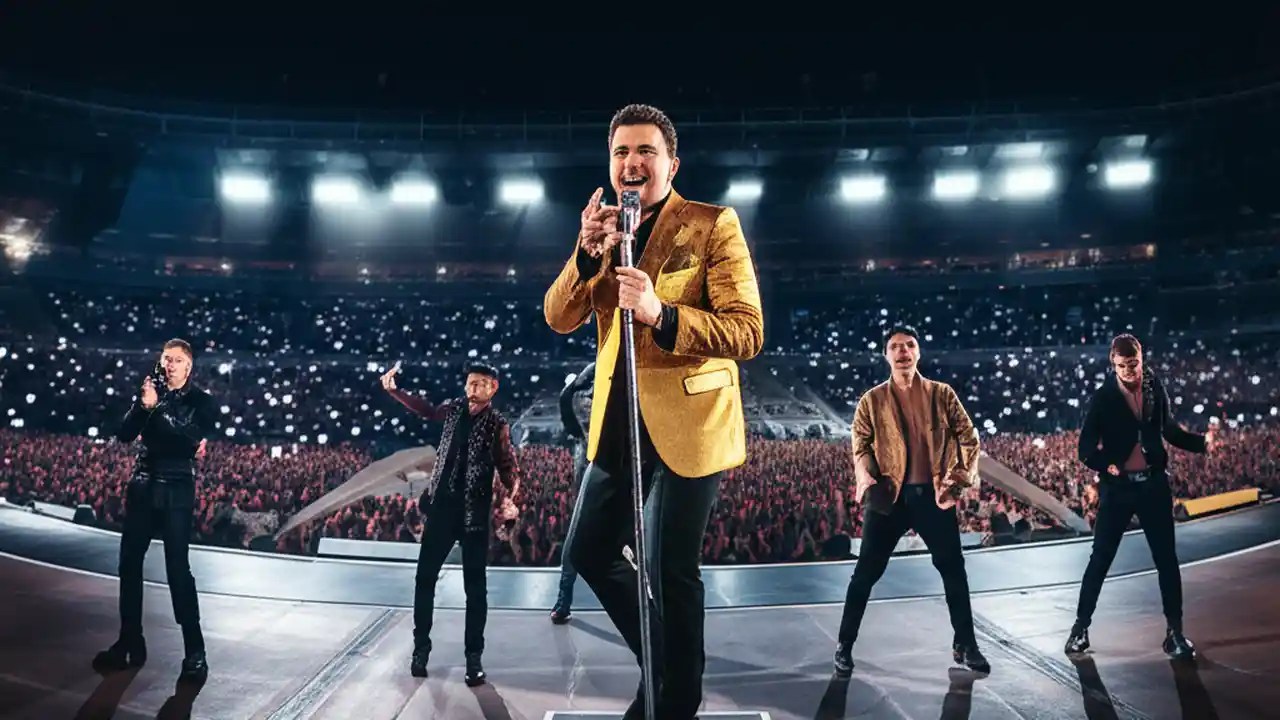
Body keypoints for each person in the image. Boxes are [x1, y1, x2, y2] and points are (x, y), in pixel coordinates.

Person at [543, 103, 765, 720]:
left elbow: (747, 332)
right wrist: (588, 255)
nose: (631, 163)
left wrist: (661, 315)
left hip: (690, 425)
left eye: (645, 151)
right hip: (618, 416)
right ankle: (666, 660)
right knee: (587, 551)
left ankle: (674, 702)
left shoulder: (712, 224)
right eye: (620, 152)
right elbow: (558, 316)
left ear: (671, 162)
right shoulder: (607, 229)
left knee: (670, 570)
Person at [835, 325, 990, 677]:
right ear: (886, 355)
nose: (903, 351)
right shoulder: (871, 400)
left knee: (954, 571)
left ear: (918, 352)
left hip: (934, 498)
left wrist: (959, 477)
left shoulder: (942, 394)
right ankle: (844, 644)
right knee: (865, 575)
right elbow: (859, 444)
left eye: (909, 345)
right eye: (895, 347)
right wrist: (868, 478)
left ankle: (967, 644)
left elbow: (969, 436)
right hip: (890, 499)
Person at [1065, 334, 1217, 659]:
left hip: (1153, 486)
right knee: (1100, 559)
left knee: (1166, 560)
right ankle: (1080, 629)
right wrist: (1107, 465)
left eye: (1133, 364)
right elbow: (1084, 449)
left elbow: (1170, 431)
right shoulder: (1103, 398)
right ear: (1113, 364)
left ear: (1141, 358)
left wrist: (1202, 443)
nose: (1129, 371)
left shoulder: (1154, 387)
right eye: (1122, 366)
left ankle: (1175, 633)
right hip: (1118, 491)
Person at [380, 361, 520, 685]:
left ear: (493, 389)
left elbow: (508, 466)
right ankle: (420, 649)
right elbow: (426, 410)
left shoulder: (498, 424)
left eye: (481, 384)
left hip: (474, 515)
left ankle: (473, 658)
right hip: (441, 509)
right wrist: (395, 391)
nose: (474, 389)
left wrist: (511, 498)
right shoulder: (453, 409)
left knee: (476, 591)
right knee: (424, 579)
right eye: (471, 382)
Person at [95, 338, 217, 684]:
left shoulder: (202, 402)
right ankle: (129, 640)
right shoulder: (149, 397)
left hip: (177, 488)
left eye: (177, 360)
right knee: (128, 565)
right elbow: (123, 434)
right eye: (166, 359)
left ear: (189, 367)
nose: (170, 365)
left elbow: (189, 441)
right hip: (143, 485)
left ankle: (195, 651)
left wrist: (158, 408)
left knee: (178, 571)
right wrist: (144, 406)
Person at [551, 361, 595, 624]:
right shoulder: (607, 391)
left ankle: (563, 602)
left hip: (587, 465)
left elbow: (570, 426)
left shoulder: (574, 394)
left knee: (577, 533)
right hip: (612, 465)